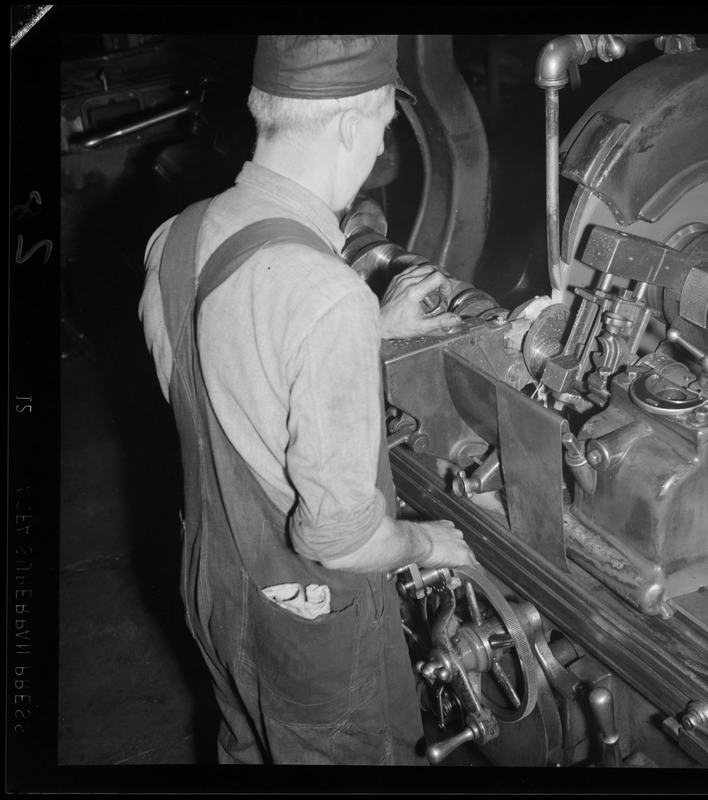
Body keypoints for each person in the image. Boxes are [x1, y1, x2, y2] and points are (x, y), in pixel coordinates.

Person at [139, 34, 478, 765]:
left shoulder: (176, 235)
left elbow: (220, 386)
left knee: (245, 745)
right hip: (309, 617)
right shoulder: (326, 295)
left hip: (210, 579)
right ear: (355, 124)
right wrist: (430, 543)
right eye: (384, 127)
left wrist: (372, 331)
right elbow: (339, 539)